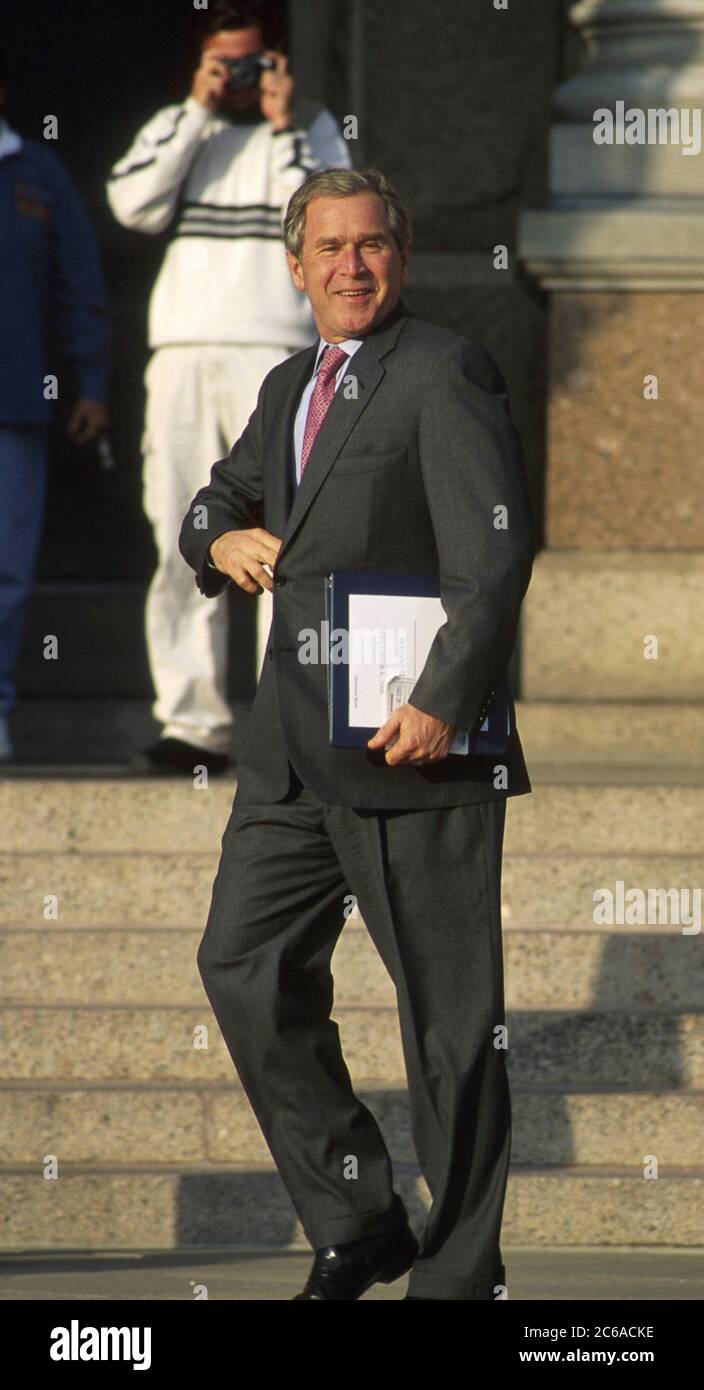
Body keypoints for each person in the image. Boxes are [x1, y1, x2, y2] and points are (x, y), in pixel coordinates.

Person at [179, 167, 536, 1301]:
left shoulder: (442, 370)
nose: (349, 265)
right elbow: (214, 500)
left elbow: (492, 554)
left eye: (370, 244)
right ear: (294, 266)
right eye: (327, 248)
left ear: (402, 252)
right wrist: (219, 543)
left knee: (449, 1030)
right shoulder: (289, 384)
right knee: (241, 968)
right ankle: (358, 1212)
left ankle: (458, 1273)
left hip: (411, 748)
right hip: (289, 755)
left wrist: (443, 696)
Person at [106, 0, 350, 777]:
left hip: (278, 354)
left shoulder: (311, 133)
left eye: (252, 62)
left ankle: (285, 721)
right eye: (225, 63)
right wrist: (196, 110)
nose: (239, 77)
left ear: (277, 60)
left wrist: (282, 127)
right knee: (181, 533)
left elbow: (317, 222)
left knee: (289, 539)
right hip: (183, 351)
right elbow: (131, 204)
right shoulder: (179, 126)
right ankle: (192, 724)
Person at [0, 42, 110, 764]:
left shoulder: (37, 175)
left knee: (5, 572)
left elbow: (80, 286)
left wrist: (93, 381)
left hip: (15, 405)